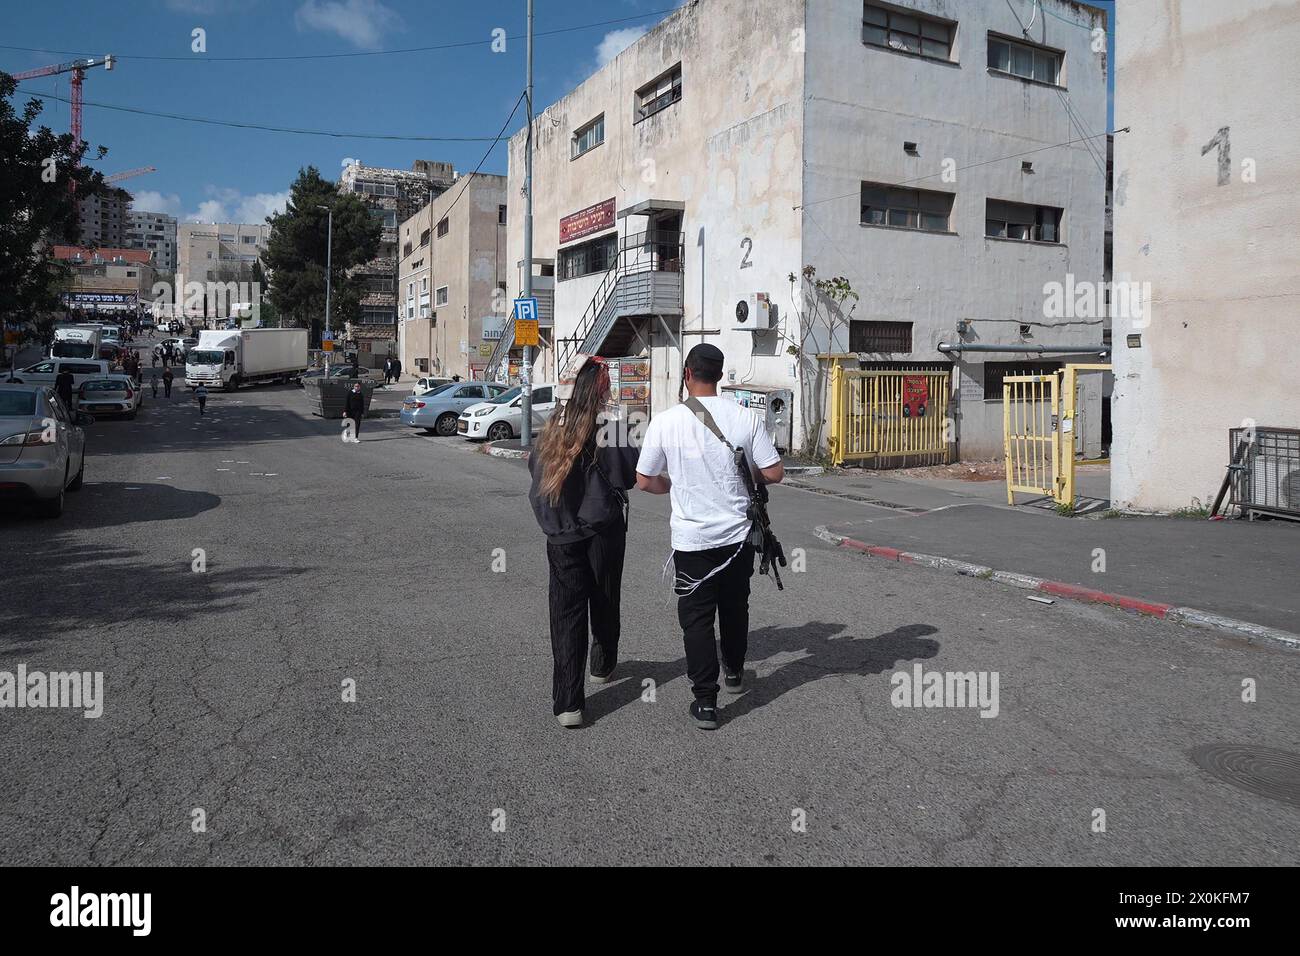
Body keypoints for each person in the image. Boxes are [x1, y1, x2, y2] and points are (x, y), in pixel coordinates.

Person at [635, 344, 784, 730]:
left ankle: (705, 702)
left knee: (697, 620)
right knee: (736, 607)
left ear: (687, 374)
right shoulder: (745, 418)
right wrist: (743, 473)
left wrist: (674, 484)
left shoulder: (666, 421)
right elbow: (775, 472)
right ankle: (734, 671)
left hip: (692, 540)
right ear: (720, 375)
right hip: (737, 538)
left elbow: (644, 480)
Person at [528, 356, 640, 728]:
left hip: (561, 534)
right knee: (606, 599)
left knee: (565, 615)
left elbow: (536, 470)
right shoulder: (615, 425)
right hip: (604, 530)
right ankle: (603, 664)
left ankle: (568, 703)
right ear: (603, 388)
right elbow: (628, 477)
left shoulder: (552, 426)